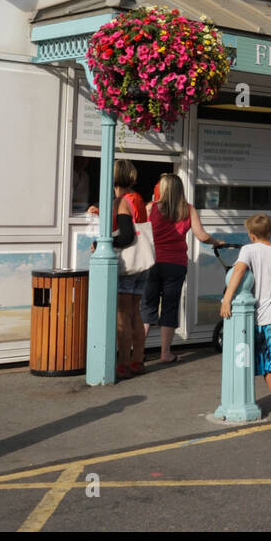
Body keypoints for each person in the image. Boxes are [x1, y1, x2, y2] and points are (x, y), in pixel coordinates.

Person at [219, 213, 271, 419]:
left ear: (251, 234)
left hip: (257, 317)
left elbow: (237, 272)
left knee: (265, 361)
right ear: (270, 231)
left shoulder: (248, 249)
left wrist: (226, 299)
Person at [141, 173, 225, 364]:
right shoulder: (187, 210)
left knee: (147, 307)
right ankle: (165, 353)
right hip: (175, 265)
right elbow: (201, 236)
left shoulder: (150, 208)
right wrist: (216, 241)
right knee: (169, 308)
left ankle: (137, 354)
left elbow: (137, 230)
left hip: (152, 263)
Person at [111, 159, 148, 379]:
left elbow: (125, 236)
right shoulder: (138, 198)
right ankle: (137, 361)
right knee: (136, 311)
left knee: (122, 314)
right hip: (142, 262)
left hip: (127, 263)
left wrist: (106, 242)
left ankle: (123, 363)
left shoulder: (121, 201)